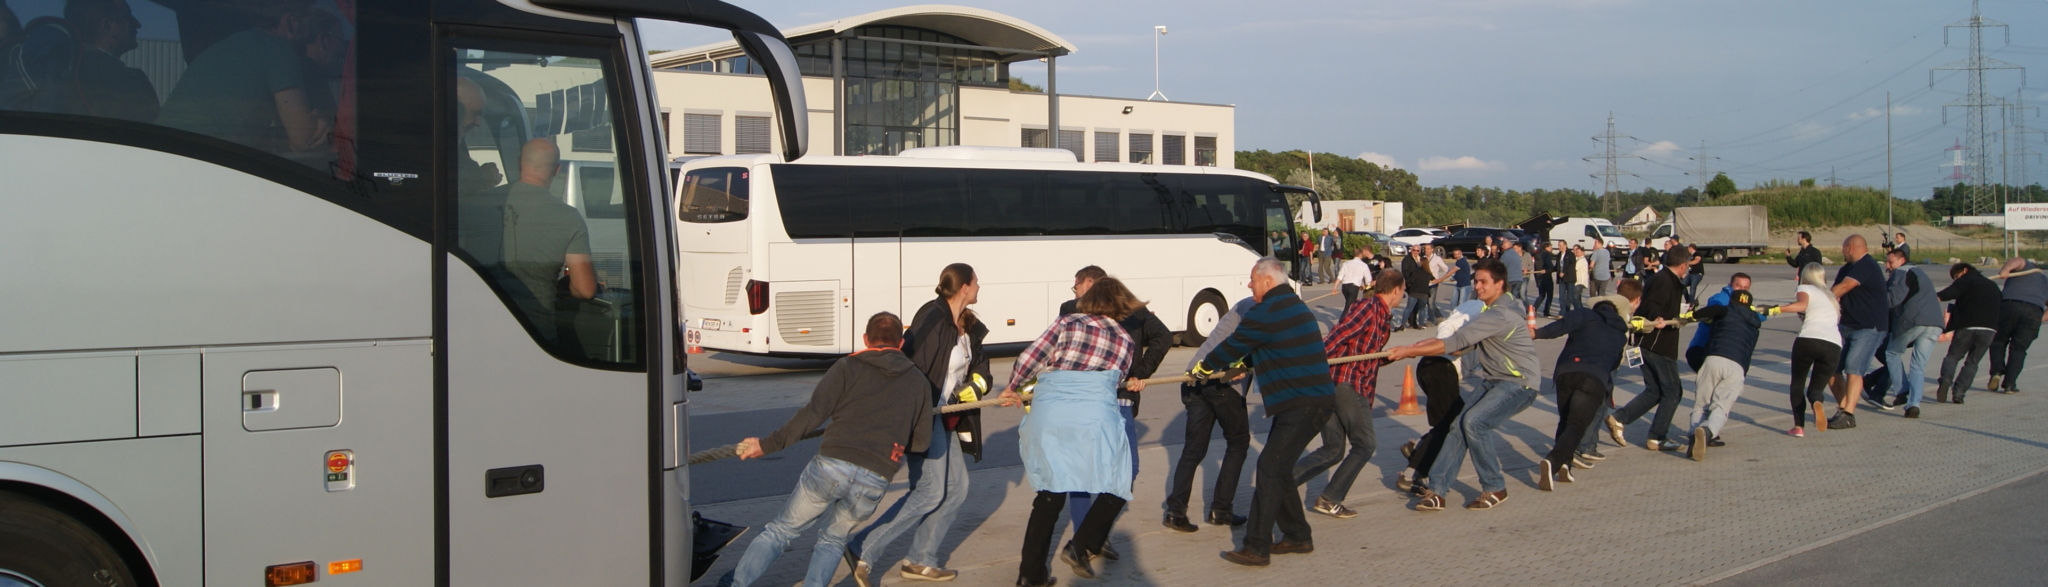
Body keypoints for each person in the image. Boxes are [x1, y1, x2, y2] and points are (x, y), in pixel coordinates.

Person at [723, 313, 934, 587]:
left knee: (782, 530)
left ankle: (736, 584)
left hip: (832, 466)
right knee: (833, 539)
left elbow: (812, 415)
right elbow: (921, 443)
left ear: (865, 339)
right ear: (901, 343)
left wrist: (766, 445)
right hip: (875, 478)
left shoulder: (847, 366)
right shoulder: (918, 381)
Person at [1187, 257, 1335, 568]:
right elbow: (1275, 346)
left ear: (1267, 281)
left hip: (1302, 404)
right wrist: (1245, 365)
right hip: (1310, 402)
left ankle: (1256, 546)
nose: (1249, 285)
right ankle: (1297, 536)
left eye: (1252, 280)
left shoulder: (1266, 311)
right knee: (1278, 469)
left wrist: (1203, 367)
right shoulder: (1295, 306)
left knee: (1268, 469)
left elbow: (1234, 344)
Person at [846, 264, 989, 586]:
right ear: (964, 287)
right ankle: (862, 547)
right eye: (976, 282)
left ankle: (921, 560)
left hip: (946, 417)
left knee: (957, 489)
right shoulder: (934, 318)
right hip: (924, 417)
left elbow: (978, 365)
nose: (980, 287)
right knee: (929, 492)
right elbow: (910, 365)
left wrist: (979, 385)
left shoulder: (965, 325)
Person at [997, 279, 1138, 586]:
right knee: (1118, 481)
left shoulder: (1067, 323)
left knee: (1050, 493)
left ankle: (1030, 576)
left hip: (1052, 414)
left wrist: (1013, 386)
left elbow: (1029, 359)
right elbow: (1117, 379)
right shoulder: (1125, 339)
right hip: (1094, 418)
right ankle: (1082, 544)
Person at [1387, 259, 1541, 511]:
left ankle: (1495, 486)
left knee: (1474, 423)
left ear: (1499, 284)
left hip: (1519, 383)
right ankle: (1437, 492)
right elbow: (1459, 346)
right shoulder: (1492, 311)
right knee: (1458, 426)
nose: (1477, 286)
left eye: (1483, 282)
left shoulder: (1499, 314)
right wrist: (1414, 347)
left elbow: (1454, 342)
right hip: (1494, 380)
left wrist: (1408, 351)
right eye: (1476, 281)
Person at [1055, 268, 1172, 562]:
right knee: (1086, 473)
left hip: (1112, 401)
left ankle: (1090, 537)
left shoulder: (1123, 310)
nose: (1075, 293)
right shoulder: (1073, 310)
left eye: (1075, 286)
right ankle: (1087, 539)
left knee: (1123, 471)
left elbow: (1163, 336)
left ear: (1088, 282)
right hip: (1093, 401)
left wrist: (1139, 373)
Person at [1295, 269, 1400, 519]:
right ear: (1396, 290)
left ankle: (1278, 484)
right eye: (1402, 290)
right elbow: (1337, 336)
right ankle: (1330, 497)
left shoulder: (1383, 317)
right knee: (1365, 444)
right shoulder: (1369, 308)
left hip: (1343, 383)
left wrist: (1386, 357)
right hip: (1345, 384)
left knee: (1333, 449)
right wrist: (1313, 367)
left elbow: (1361, 354)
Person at [156, 4, 329, 154]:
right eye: (308, 28)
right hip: (199, 159)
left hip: (159, 150)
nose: (310, 37)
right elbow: (304, 140)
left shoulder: (227, 47)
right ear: (291, 23)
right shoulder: (278, 48)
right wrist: (325, 123)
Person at [1534, 280, 1642, 490]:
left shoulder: (1584, 314)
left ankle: (1565, 466)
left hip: (1565, 373)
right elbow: (1614, 363)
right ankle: (1553, 461)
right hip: (1593, 378)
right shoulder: (1620, 334)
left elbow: (1561, 326)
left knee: (1565, 421)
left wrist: (1537, 333)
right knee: (1576, 425)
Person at [1162, 298, 1255, 532]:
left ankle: (1175, 511)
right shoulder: (1260, 306)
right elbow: (1245, 343)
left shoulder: (1243, 304)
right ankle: (1221, 509)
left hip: (1194, 376)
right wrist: (1237, 370)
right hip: (1221, 379)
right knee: (1238, 442)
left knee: (1193, 450)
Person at [493, 138, 597, 335]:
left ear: (519, 163)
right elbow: (585, 289)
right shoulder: (568, 217)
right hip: (536, 331)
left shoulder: (479, 204)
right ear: (557, 169)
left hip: (480, 323)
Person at [1606, 246, 1693, 451]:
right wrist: (1657, 317)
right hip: (1658, 345)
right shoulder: (1665, 280)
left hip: (1648, 344)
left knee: (1655, 390)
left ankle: (1620, 419)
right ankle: (1657, 436)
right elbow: (1652, 305)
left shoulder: (1662, 278)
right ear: (1683, 265)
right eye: (1688, 265)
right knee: (1673, 391)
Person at [1395, 297, 1485, 495]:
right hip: (1440, 366)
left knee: (1455, 422)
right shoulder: (1479, 307)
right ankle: (1411, 474)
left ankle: (1418, 450)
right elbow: (1447, 325)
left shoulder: (1498, 319)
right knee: (1449, 427)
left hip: (1441, 370)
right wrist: (1447, 346)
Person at [1682, 290, 1772, 460]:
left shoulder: (1725, 310)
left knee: (1701, 404)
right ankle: (1707, 431)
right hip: (1737, 366)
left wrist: (1692, 315)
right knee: (1721, 407)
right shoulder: (1754, 325)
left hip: (1714, 358)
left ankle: (1695, 434)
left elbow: (1712, 310)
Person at [1826, 235, 1889, 430]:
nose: (1842, 252)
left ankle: (1848, 414)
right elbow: (1835, 292)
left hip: (1868, 327)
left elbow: (1844, 287)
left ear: (1850, 247)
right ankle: (1843, 409)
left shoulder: (1867, 265)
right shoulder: (1847, 268)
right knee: (1830, 368)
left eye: (1843, 248)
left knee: (1854, 367)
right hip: (1846, 326)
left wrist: (1817, 303)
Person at [1776, 262, 1841, 436]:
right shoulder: (1831, 296)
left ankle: (1799, 427)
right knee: (1816, 388)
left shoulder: (1805, 288)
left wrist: (1776, 309)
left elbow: (1802, 305)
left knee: (1797, 384)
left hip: (1808, 339)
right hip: (1833, 344)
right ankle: (1817, 402)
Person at [65, 0, 158, 122]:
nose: (137, 24)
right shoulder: (131, 82)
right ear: (108, 26)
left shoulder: (63, 75)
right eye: (128, 16)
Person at [1880, 248, 1942, 418]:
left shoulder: (1902, 272)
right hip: (1935, 324)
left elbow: (1892, 299)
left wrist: (1871, 300)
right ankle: (1914, 404)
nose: (1887, 266)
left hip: (1913, 321)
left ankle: (1902, 391)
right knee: (1918, 366)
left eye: (1890, 262)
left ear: (1901, 260)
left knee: (1892, 353)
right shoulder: (1919, 272)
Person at [1937, 262, 2001, 404]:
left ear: (1965, 270)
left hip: (1967, 326)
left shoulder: (1967, 280)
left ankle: (1946, 379)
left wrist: (1934, 297)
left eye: (1956, 276)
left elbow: (1949, 293)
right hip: (1989, 329)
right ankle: (1959, 393)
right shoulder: (1993, 286)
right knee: (1972, 362)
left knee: (1953, 356)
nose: (1956, 280)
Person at [1986, 258, 2048, 394]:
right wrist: (2038, 320)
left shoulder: (2028, 268)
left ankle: (1996, 372)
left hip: (2009, 305)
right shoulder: (2046, 282)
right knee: (2018, 350)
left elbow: (2018, 260)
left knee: (1998, 341)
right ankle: (2009, 385)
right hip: (2034, 312)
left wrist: (2005, 269)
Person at [1685, 273, 1753, 372]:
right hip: (1703, 348)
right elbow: (1716, 311)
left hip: (1723, 352)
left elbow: (1757, 317)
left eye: (1745, 288)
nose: (1742, 290)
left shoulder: (1742, 302)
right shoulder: (1720, 299)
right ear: (1730, 284)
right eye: (1738, 286)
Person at [1402, 245, 1435, 329]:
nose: (1415, 252)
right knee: (1421, 309)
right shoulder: (1428, 273)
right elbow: (1433, 279)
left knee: (1410, 308)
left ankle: (1404, 324)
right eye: (1414, 250)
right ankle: (1419, 324)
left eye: (1417, 250)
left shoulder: (1416, 271)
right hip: (1422, 292)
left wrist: (1410, 282)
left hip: (1415, 291)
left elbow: (1411, 279)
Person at [1334, 246, 1374, 312]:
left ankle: (1352, 316)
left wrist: (1335, 287)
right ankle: (1344, 318)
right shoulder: (1363, 265)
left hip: (1344, 287)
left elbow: (1340, 276)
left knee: (1350, 304)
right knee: (1348, 307)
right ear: (1360, 255)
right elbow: (1368, 279)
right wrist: (1367, 285)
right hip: (1353, 287)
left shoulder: (1346, 263)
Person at [1428, 244, 1452, 325]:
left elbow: (1446, 269)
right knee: (1428, 302)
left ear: (1432, 249)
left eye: (1428, 249)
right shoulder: (1423, 258)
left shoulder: (1437, 258)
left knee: (1431, 302)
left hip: (1434, 283)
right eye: (1425, 249)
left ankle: (1431, 320)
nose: (1426, 250)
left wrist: (1441, 279)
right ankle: (1439, 316)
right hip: (1425, 283)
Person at [1534, 241, 1558, 318]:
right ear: (1547, 247)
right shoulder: (1547, 255)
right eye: (1551, 247)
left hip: (1539, 277)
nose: (1552, 249)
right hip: (1546, 277)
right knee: (1549, 295)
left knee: (1541, 295)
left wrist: (1536, 280)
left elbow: (1535, 268)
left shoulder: (1538, 255)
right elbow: (1550, 266)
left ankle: (1534, 308)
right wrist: (1554, 268)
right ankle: (1546, 311)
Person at [1559, 243, 1583, 314]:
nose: (1559, 247)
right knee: (1561, 297)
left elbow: (1572, 266)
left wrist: (1564, 272)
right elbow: (1557, 266)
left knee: (1570, 296)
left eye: (1560, 245)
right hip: (1561, 279)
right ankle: (1563, 312)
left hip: (1569, 278)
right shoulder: (1559, 255)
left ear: (1565, 245)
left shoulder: (1570, 255)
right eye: (1559, 245)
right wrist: (1547, 270)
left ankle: (1580, 310)